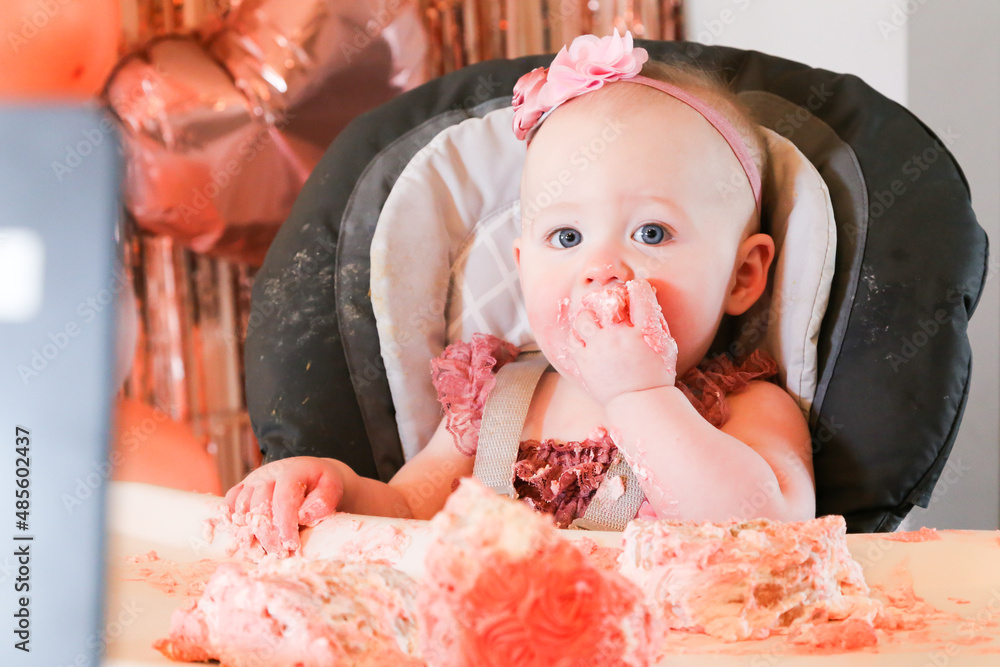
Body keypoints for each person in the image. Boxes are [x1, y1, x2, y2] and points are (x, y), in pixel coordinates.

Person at [224, 29, 816, 553]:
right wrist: (335, 484)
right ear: (522, 266)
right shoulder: (499, 401)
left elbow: (774, 534)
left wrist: (640, 394)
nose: (600, 268)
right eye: (566, 236)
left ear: (743, 276)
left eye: (651, 232)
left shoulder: (743, 410)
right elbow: (407, 516)